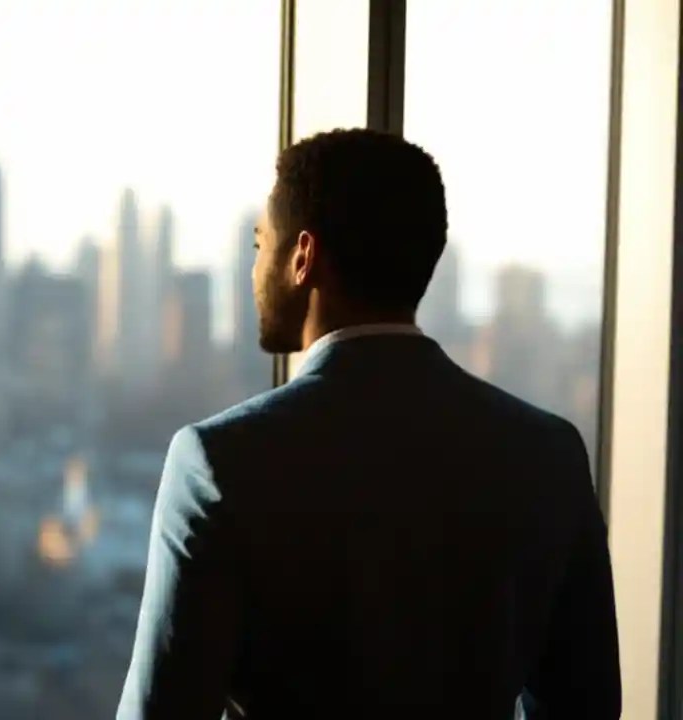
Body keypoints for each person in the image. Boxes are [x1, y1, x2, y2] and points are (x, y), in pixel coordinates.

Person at [117, 128, 620, 719]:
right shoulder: (549, 453)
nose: (255, 271)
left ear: (302, 257)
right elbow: (584, 706)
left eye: (261, 246)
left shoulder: (216, 462)